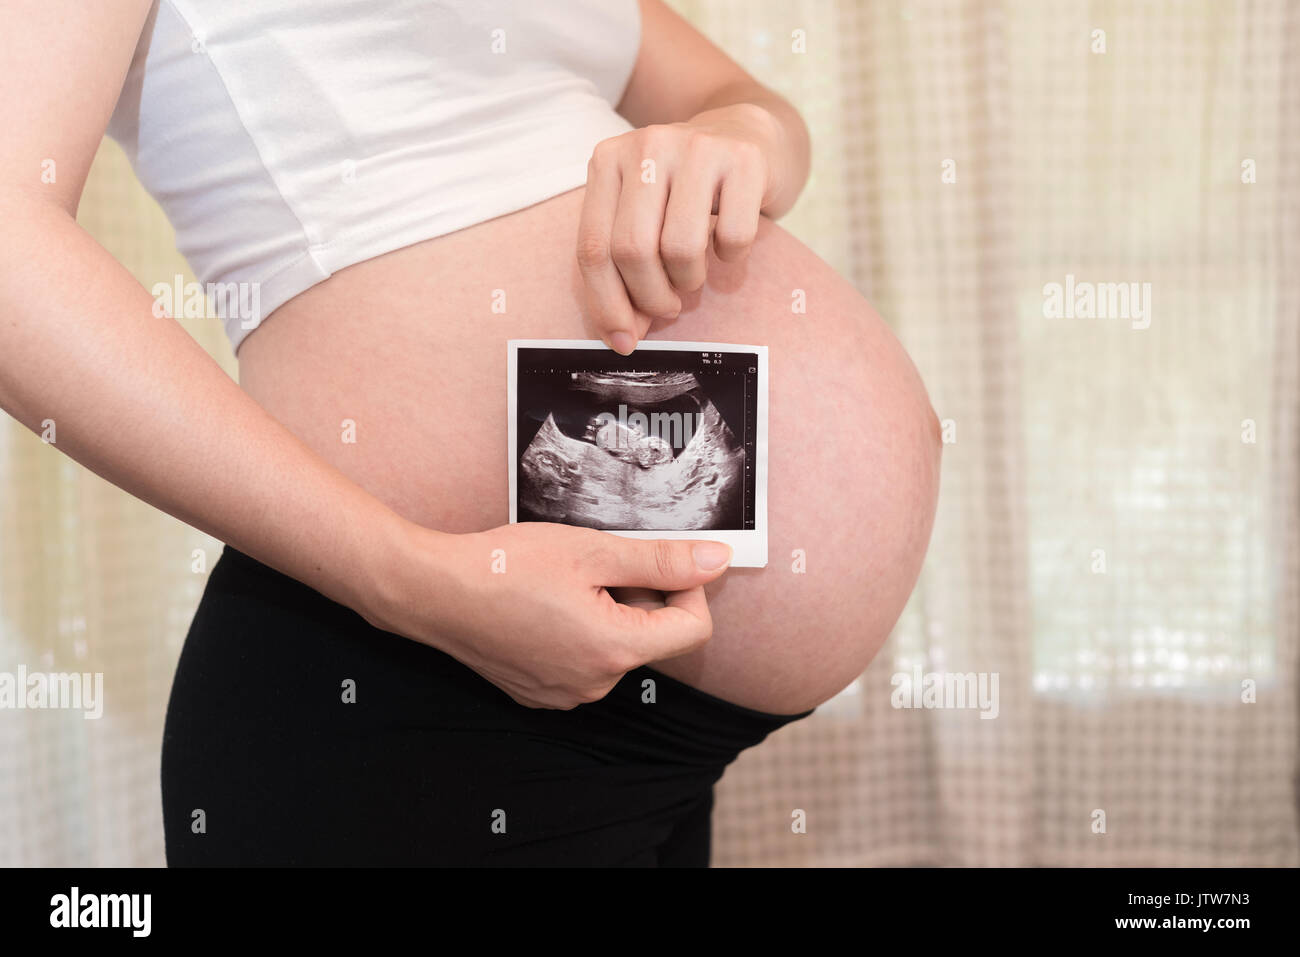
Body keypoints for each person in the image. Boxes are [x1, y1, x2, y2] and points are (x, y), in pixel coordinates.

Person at [0, 0, 942, 865]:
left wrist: (737, 134)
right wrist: (412, 580)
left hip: (661, 731)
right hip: (405, 680)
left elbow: (735, 96)